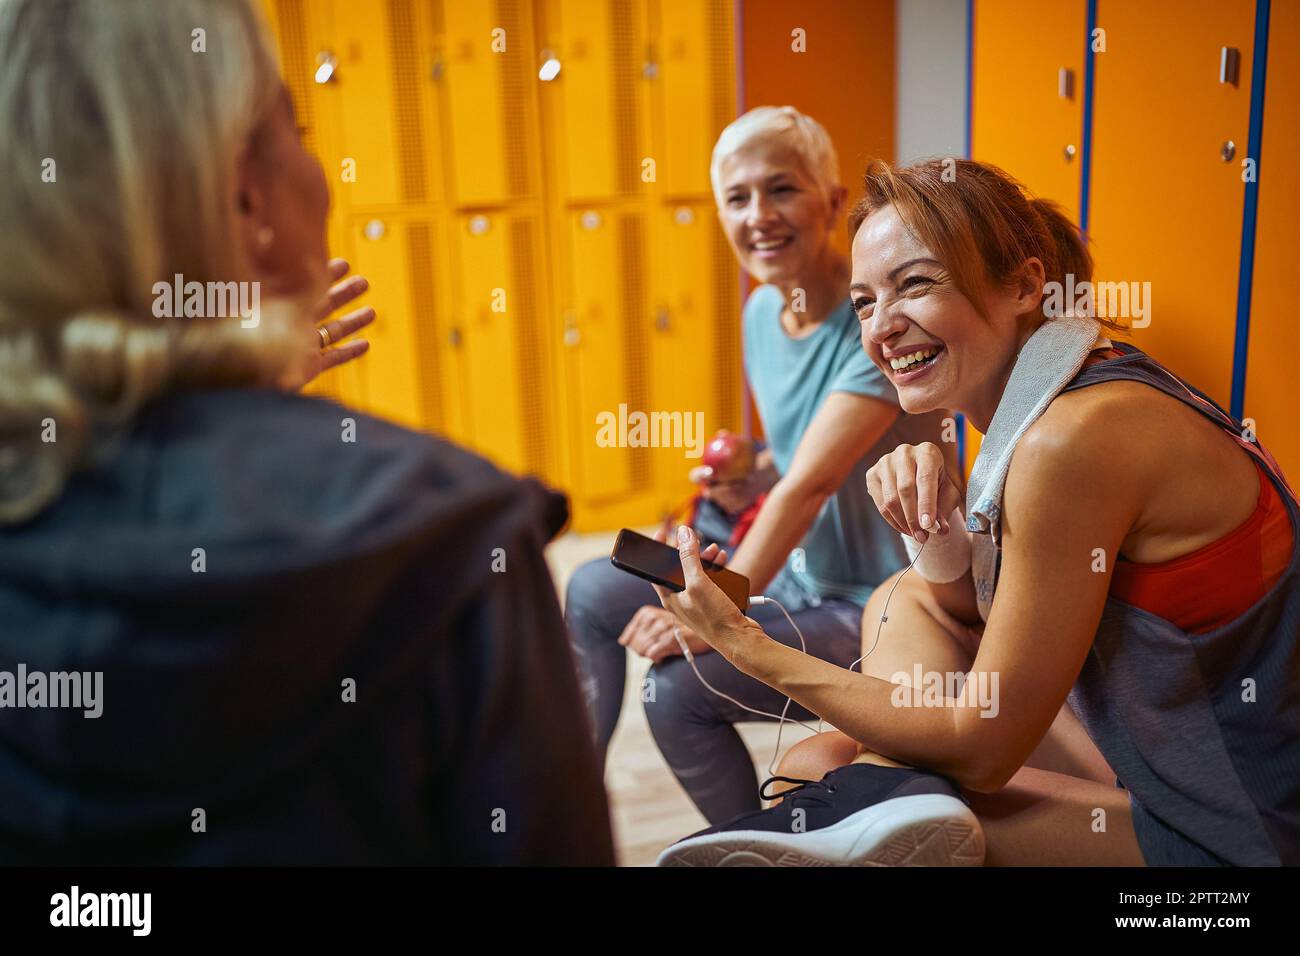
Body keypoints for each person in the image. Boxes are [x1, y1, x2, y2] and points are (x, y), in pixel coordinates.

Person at [0, 0, 612, 865]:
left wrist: (231, 402)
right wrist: (249, 430)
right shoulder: (449, 535)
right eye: (298, 128)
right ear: (244, 190)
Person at [651, 158, 1299, 866]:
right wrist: (938, 536)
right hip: (1161, 752)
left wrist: (743, 640)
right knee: (896, 616)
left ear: (1025, 286)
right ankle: (878, 805)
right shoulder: (1069, 393)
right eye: (864, 303)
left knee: (822, 773)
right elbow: (978, 611)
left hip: (1238, 840)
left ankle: (871, 807)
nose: (883, 328)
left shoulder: (1072, 438)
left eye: (916, 284)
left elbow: (985, 749)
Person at [565, 107, 952, 825]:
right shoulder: (759, 314)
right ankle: (571, 808)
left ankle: (760, 843)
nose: (759, 216)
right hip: (801, 576)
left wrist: (719, 613)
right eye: (737, 199)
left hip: (875, 602)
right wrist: (757, 469)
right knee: (591, 589)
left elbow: (812, 487)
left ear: (833, 202)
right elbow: (800, 461)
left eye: (782, 189)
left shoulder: (875, 322)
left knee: (673, 693)